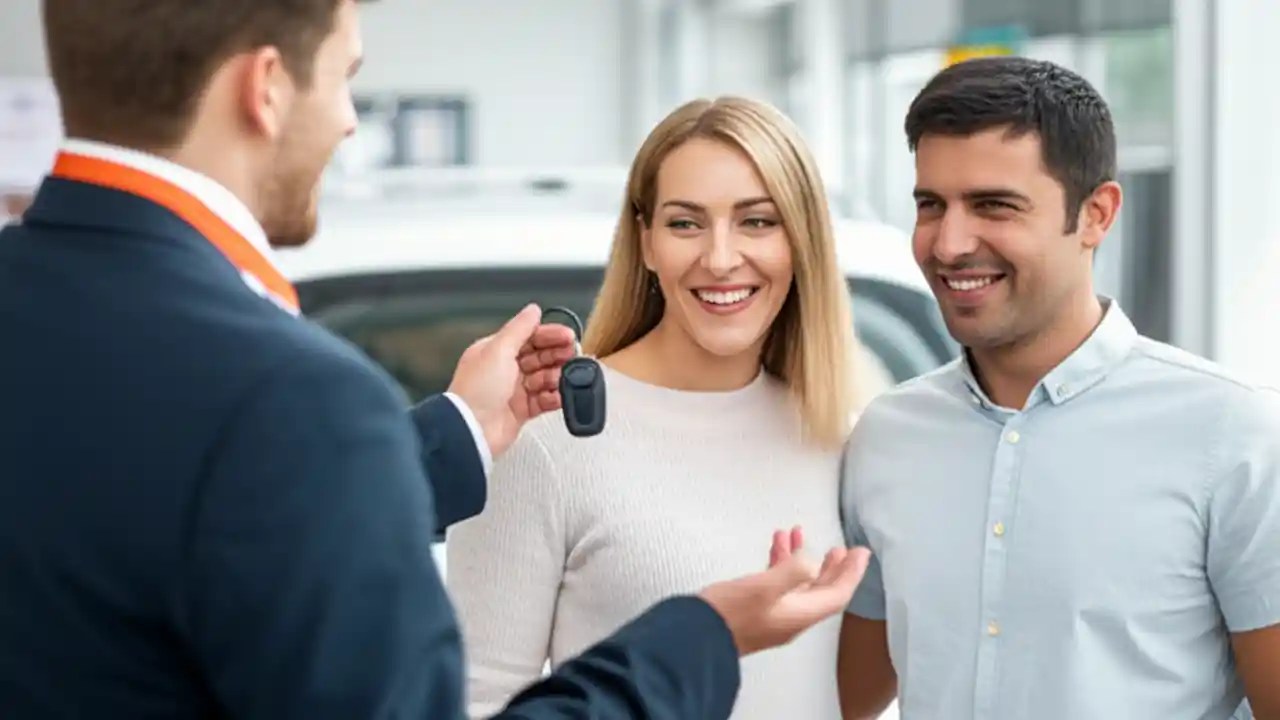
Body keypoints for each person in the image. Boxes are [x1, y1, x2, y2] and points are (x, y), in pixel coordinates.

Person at [0, 1, 872, 718]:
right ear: (266, 88)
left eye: (757, 220)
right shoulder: (301, 398)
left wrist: (453, 434)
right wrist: (701, 635)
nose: (349, 122)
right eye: (346, 78)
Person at [821, 56, 1280, 719]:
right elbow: (838, 699)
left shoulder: (1234, 435)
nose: (948, 244)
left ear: (1096, 214)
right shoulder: (887, 435)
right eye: (931, 205)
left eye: (993, 206)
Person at [446, 95, 867, 719]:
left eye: (757, 221)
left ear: (802, 239)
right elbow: (475, 702)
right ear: (645, 242)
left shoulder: (839, 434)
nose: (720, 259)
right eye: (685, 223)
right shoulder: (547, 439)